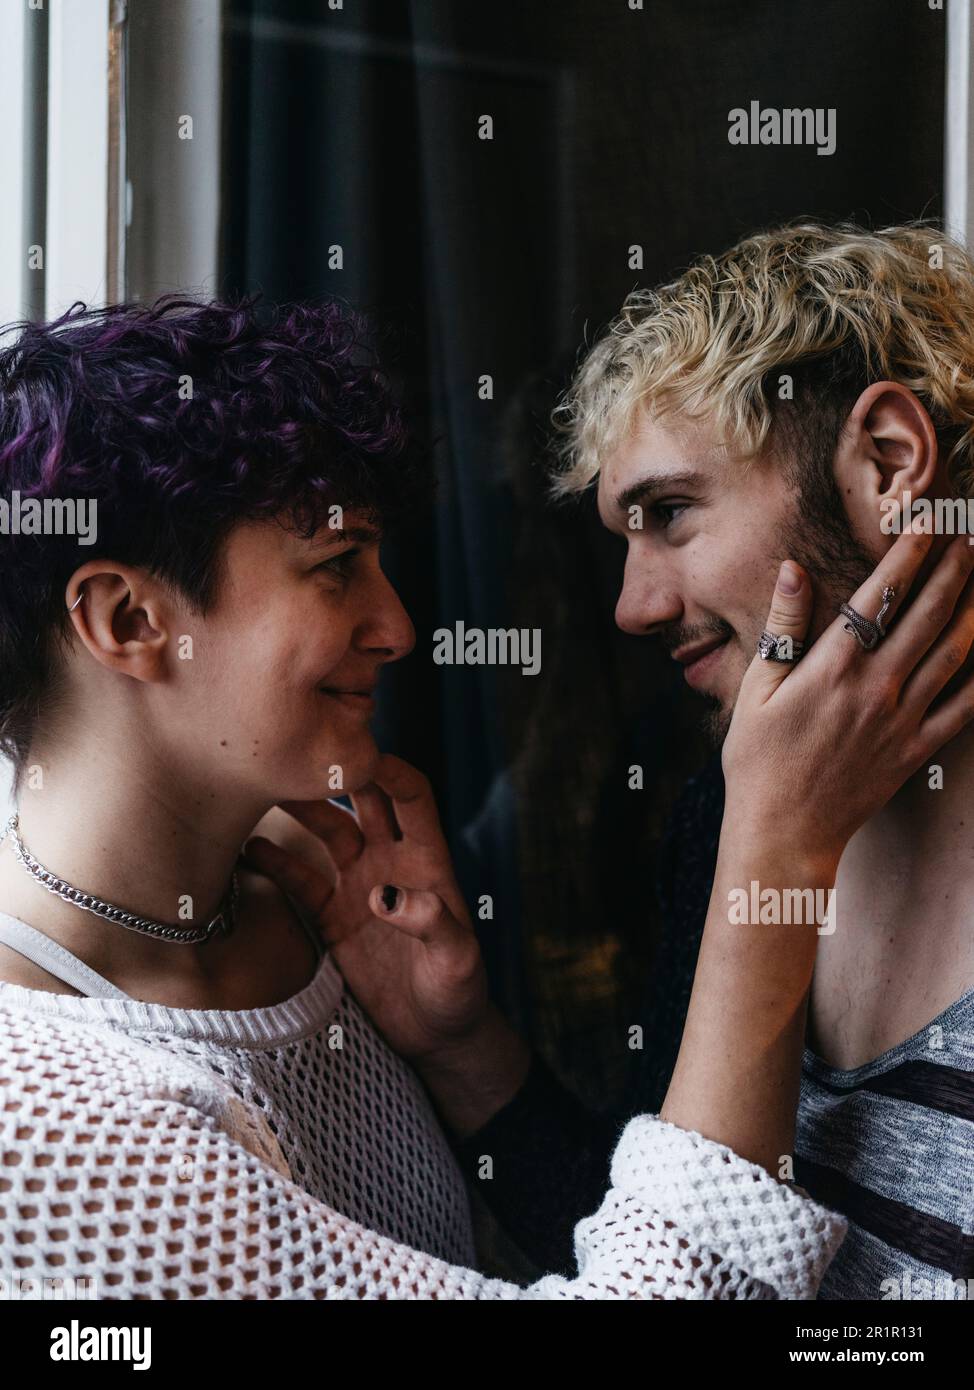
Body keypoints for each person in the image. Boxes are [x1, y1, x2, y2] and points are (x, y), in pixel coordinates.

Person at [0, 292, 970, 1300]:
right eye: (336, 566)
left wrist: (455, 1046)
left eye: (673, 514)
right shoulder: (40, 1113)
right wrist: (772, 849)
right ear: (128, 621)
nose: (398, 628)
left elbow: (610, 1240)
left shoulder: (318, 913)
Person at [264, 221, 974, 1303]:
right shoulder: (728, 816)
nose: (633, 607)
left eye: (671, 514)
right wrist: (461, 1043)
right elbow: (656, 1246)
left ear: (886, 461)